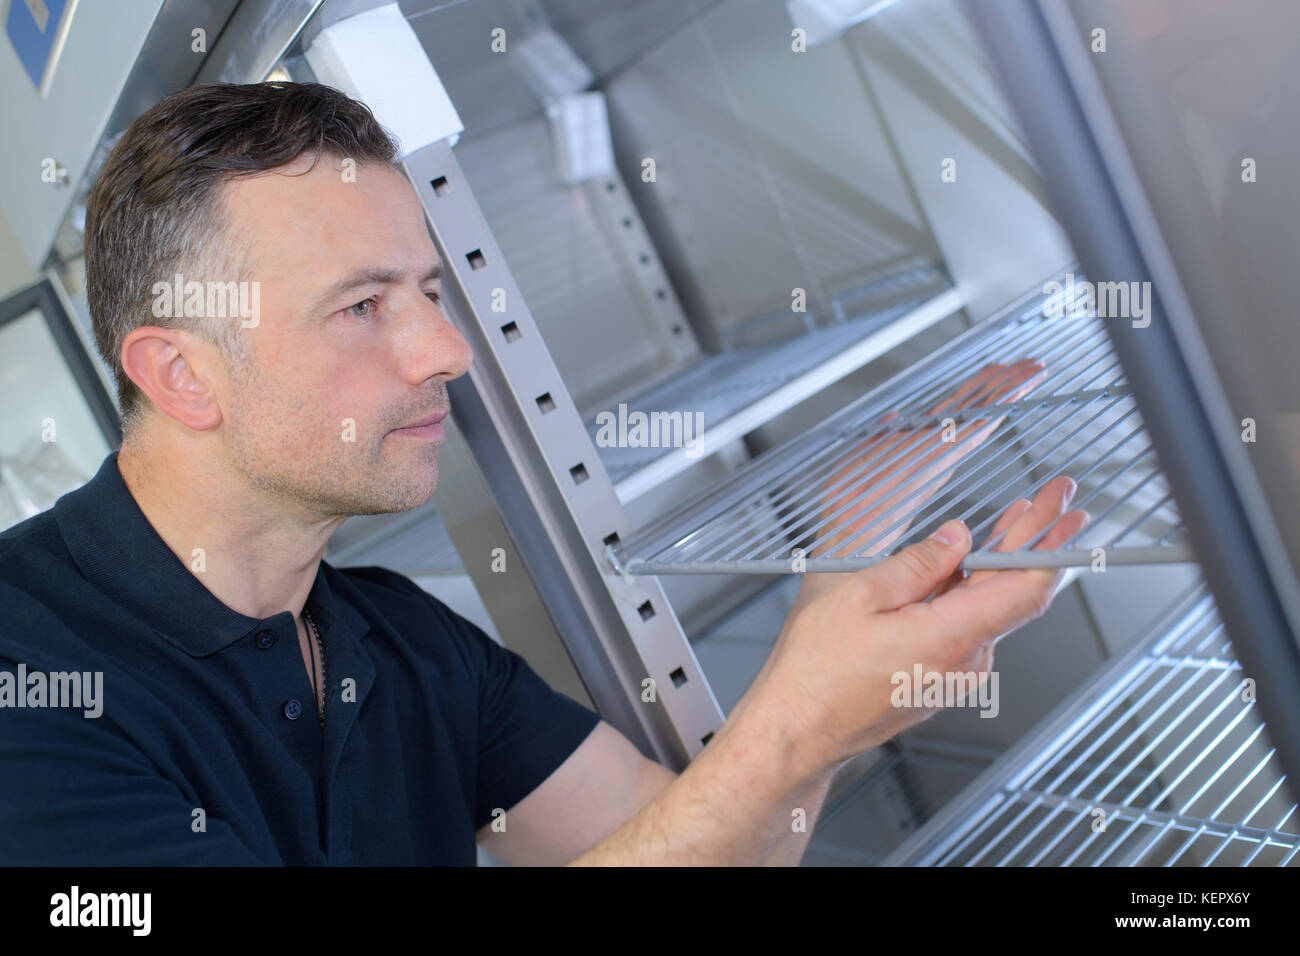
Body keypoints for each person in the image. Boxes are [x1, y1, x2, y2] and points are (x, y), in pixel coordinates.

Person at [0, 82, 1086, 866]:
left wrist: (831, 608)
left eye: (430, 289)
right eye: (362, 305)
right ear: (183, 375)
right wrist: (795, 726)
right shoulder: (26, 673)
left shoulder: (400, 641)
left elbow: (710, 844)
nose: (446, 349)